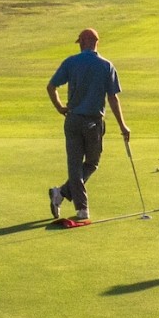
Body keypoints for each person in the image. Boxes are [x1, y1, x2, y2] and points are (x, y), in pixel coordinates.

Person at [46, 27, 130, 225]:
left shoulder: (71, 62)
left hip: (73, 119)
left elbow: (51, 87)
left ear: (83, 42)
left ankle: (60, 194)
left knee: (76, 165)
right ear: (96, 43)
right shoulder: (106, 65)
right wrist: (123, 126)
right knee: (91, 162)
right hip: (94, 121)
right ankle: (82, 208)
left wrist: (60, 107)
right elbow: (112, 98)